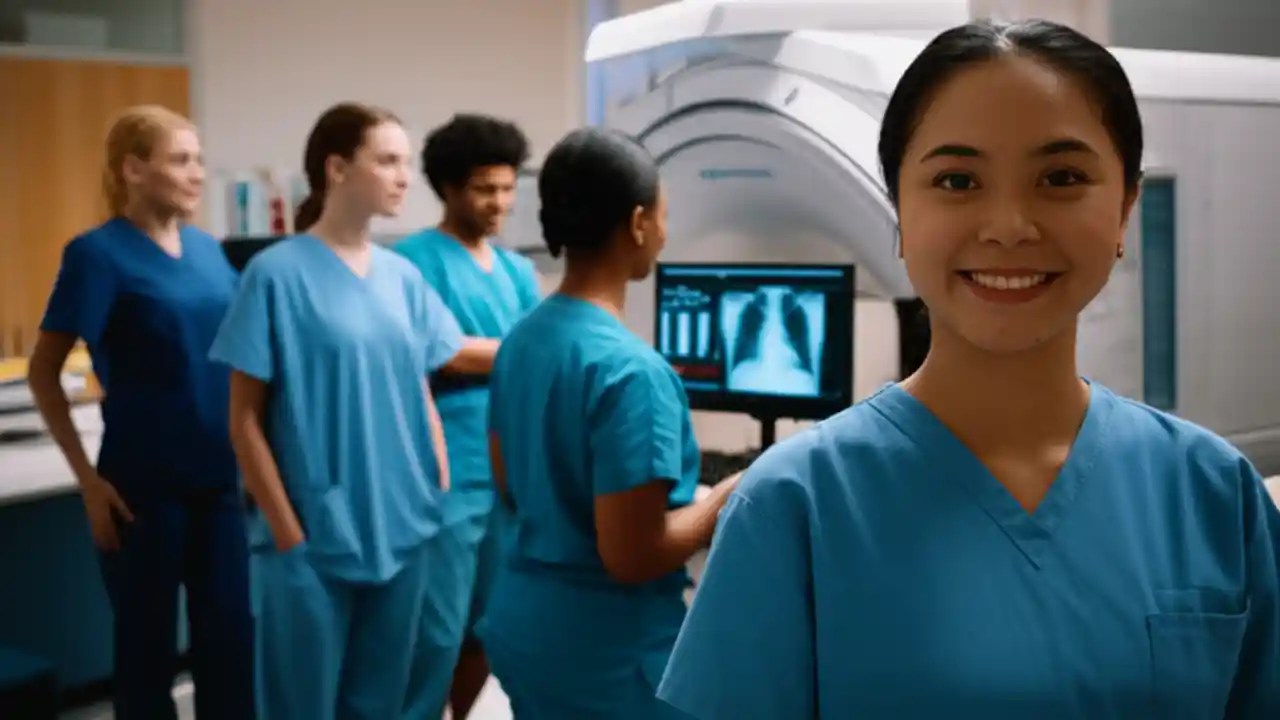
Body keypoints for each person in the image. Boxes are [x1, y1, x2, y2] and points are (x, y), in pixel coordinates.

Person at [657, 19, 1280, 719]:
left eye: (1061, 178)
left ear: (1125, 209)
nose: (1009, 225)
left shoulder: (1213, 494)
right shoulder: (796, 506)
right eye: (957, 180)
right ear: (899, 211)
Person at [209, 102, 463, 720]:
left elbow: (419, 384)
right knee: (302, 706)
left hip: (404, 524)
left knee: (380, 704)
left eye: (407, 162)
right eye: (388, 160)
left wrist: (437, 477)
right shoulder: (275, 275)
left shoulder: (403, 278)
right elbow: (244, 419)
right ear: (337, 168)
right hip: (314, 534)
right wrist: (288, 533)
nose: (404, 177)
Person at [480, 127, 743, 718]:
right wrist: (727, 498)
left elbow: (508, 484)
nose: (664, 233)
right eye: (663, 216)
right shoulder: (632, 372)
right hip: (605, 652)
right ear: (638, 223)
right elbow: (632, 555)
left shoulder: (521, 341)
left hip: (526, 624)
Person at [26, 105, 253, 719]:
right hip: (140, 490)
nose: (197, 173)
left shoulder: (208, 252)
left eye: (199, 159)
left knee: (231, 647)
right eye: (180, 160)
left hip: (218, 482)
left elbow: (238, 354)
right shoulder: (98, 255)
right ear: (133, 169)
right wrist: (88, 483)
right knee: (146, 657)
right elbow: (44, 372)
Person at [394, 113, 541, 719]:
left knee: (491, 627)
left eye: (507, 188)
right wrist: (521, 350)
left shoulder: (516, 270)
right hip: (447, 471)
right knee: (437, 632)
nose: (499, 202)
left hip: (509, 470)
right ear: (449, 188)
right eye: (484, 189)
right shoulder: (412, 262)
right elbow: (442, 352)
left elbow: (532, 353)